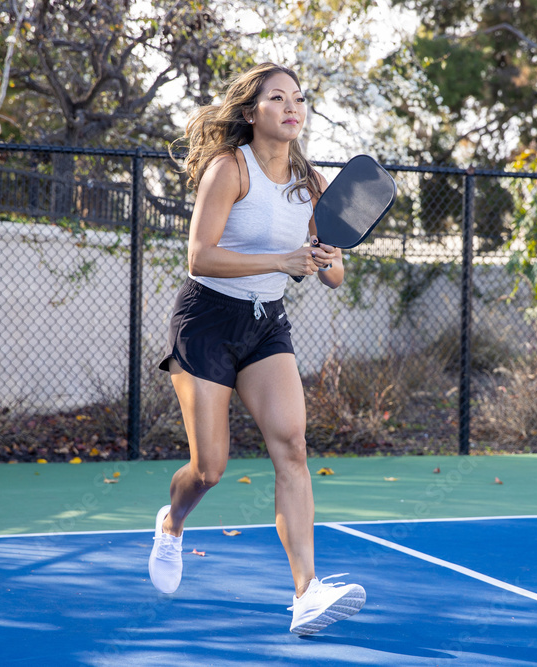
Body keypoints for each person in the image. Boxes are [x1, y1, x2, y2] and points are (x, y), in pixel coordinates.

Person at [147, 62, 366, 636]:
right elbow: (199, 257)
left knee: (292, 446)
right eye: (278, 98)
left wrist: (326, 259)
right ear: (251, 113)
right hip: (208, 320)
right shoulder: (229, 169)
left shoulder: (312, 183)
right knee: (210, 468)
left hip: (267, 324)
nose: (293, 107)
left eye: (299, 98)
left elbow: (334, 274)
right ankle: (172, 524)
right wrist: (283, 260)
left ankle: (306, 595)